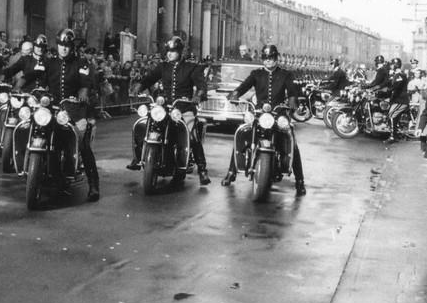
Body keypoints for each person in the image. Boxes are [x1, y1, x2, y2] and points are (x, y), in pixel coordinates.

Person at [25, 28, 100, 202]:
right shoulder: (49, 62)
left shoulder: (81, 63)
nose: (64, 48)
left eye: (67, 45)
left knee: (82, 143)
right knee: (42, 133)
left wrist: (82, 93)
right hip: (53, 108)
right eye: (61, 45)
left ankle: (94, 185)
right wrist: (25, 88)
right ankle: (50, 177)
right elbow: (36, 76)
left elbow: (86, 83)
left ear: (72, 46)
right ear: (57, 45)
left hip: (75, 109)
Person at [224, 44, 306, 195]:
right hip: (259, 112)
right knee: (242, 134)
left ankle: (300, 181)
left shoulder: (285, 74)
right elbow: (244, 86)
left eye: (271, 58)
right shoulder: (257, 73)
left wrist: (293, 102)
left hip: (279, 112)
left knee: (291, 141)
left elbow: (293, 91)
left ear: (276, 58)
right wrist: (235, 94)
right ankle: (231, 172)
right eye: (265, 58)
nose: (268, 61)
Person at [128, 35, 210, 185]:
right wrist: (138, 87)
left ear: (180, 51)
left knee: (191, 135)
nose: (169, 54)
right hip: (165, 108)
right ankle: (138, 157)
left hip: (183, 108)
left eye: (173, 51)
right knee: (146, 124)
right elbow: (149, 78)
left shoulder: (192, 67)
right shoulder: (163, 66)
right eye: (168, 51)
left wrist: (198, 96)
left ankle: (202, 170)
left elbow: (201, 85)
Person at [384, 57, 411, 143]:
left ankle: (392, 137)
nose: (391, 66)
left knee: (391, 115)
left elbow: (395, 86)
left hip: (401, 100)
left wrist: (387, 90)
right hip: (396, 100)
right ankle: (395, 134)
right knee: (392, 115)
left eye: (392, 64)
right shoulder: (396, 75)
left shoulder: (400, 75)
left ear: (395, 65)